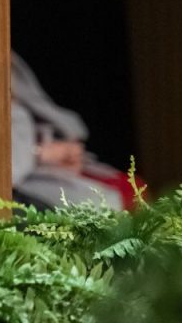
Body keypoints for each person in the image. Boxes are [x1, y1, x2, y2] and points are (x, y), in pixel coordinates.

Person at [11, 53, 136, 210]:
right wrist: (39, 154)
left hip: (48, 163)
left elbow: (48, 113)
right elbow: (4, 172)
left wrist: (63, 148)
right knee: (104, 207)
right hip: (24, 182)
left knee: (131, 188)